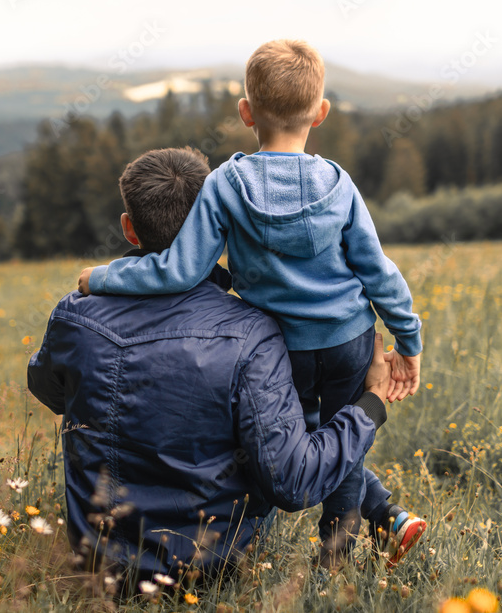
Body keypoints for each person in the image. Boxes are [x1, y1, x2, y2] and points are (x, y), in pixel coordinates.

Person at [77, 39, 426, 566]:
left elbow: (181, 269)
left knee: (290, 434)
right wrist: (409, 339)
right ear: (321, 113)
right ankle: (336, 560)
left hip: (277, 346)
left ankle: (243, 537)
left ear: (246, 113)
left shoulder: (225, 185)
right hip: (350, 339)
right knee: (345, 440)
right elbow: (379, 270)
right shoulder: (338, 184)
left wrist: (102, 277)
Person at [28, 147, 398, 589]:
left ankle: (385, 511)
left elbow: (49, 390)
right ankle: (384, 514)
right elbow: (292, 482)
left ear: (129, 230)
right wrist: (371, 404)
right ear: (219, 229)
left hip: (100, 563)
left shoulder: (74, 315)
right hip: (212, 570)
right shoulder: (252, 333)